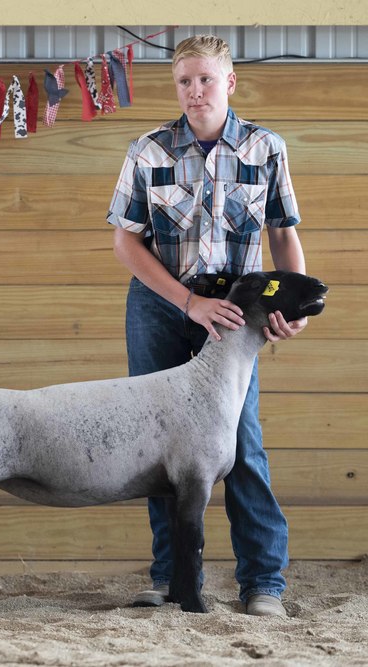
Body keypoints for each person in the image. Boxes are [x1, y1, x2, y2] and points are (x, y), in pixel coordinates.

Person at [106, 34, 307, 618]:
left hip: (237, 312)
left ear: (230, 82)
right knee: (158, 442)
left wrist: (291, 304)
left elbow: (282, 234)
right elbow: (125, 243)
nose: (195, 91)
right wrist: (187, 302)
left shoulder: (266, 148)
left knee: (241, 441)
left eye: (205, 79)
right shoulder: (148, 151)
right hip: (161, 304)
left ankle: (263, 583)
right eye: (184, 82)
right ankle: (170, 577)